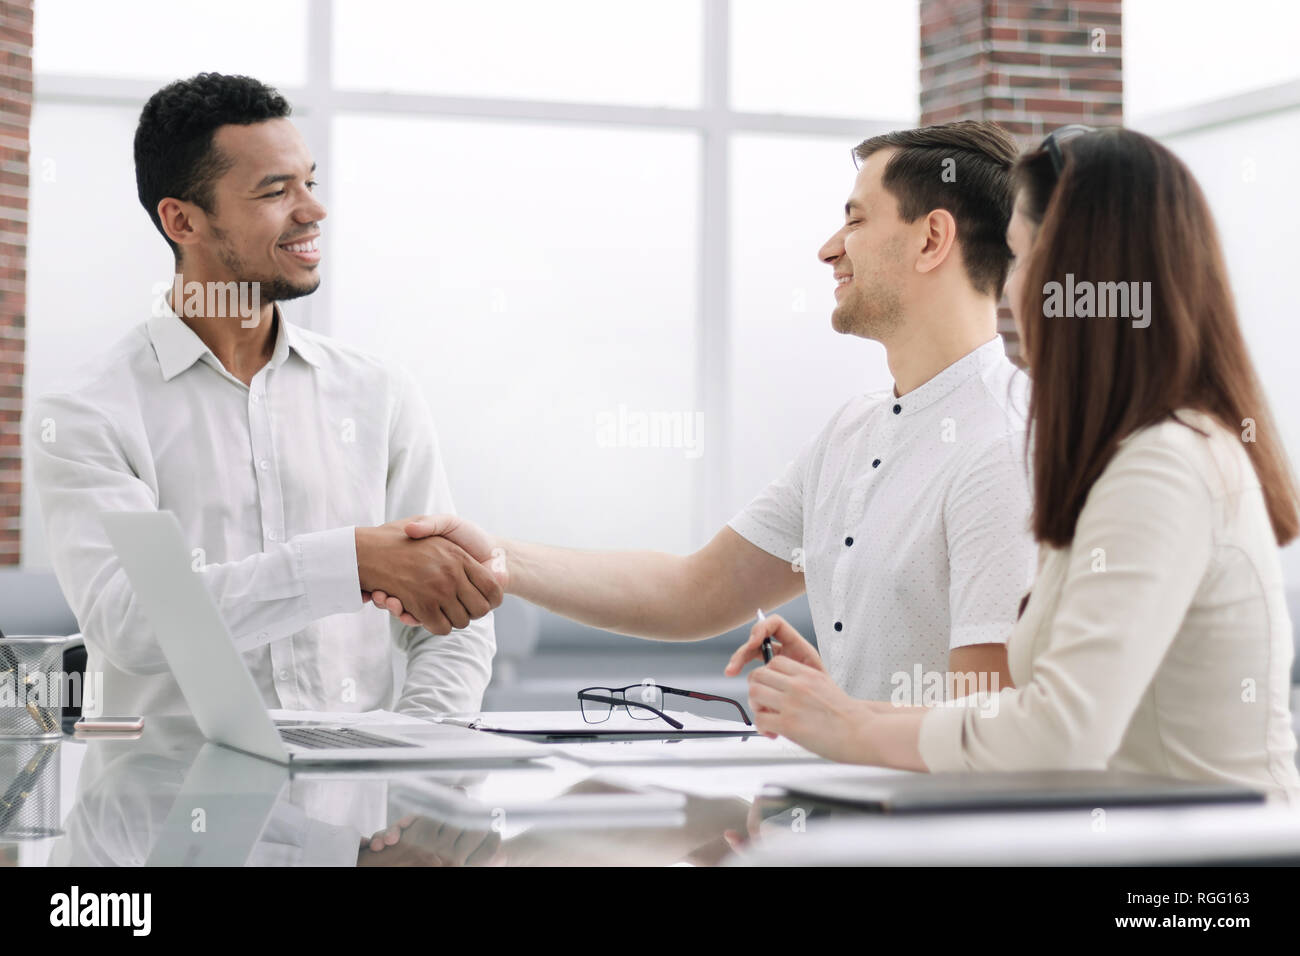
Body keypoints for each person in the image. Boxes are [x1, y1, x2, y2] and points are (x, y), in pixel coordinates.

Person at [372, 121, 1037, 703]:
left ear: (932, 241)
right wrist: (496, 555)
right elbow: (693, 591)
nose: (830, 247)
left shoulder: (1004, 443)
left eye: (857, 220)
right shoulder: (851, 432)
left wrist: (837, 714)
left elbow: (988, 722)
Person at [731, 126, 1300, 800]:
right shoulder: (1143, 456)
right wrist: (841, 709)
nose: (1012, 290)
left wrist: (851, 728)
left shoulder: (1164, 468)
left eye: (1023, 259)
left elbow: (1060, 733)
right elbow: (1028, 716)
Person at [29, 73, 502, 718]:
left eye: (309, 182)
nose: (312, 209)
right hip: (163, 806)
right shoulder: (89, 411)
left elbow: (456, 613)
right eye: (275, 191)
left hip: (355, 814)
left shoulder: (377, 393)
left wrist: (415, 758)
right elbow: (134, 622)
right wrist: (352, 560)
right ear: (182, 220)